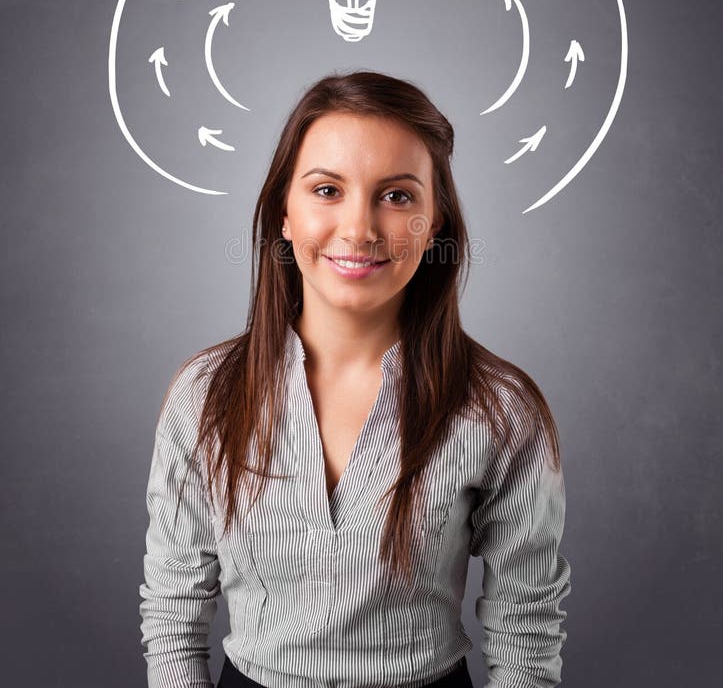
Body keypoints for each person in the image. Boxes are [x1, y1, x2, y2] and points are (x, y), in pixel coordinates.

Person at [139, 70, 572, 688]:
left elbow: (526, 634)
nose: (360, 229)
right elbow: (173, 615)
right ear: (282, 213)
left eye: (397, 196)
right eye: (326, 189)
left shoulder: (501, 410)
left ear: (436, 222)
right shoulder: (205, 394)